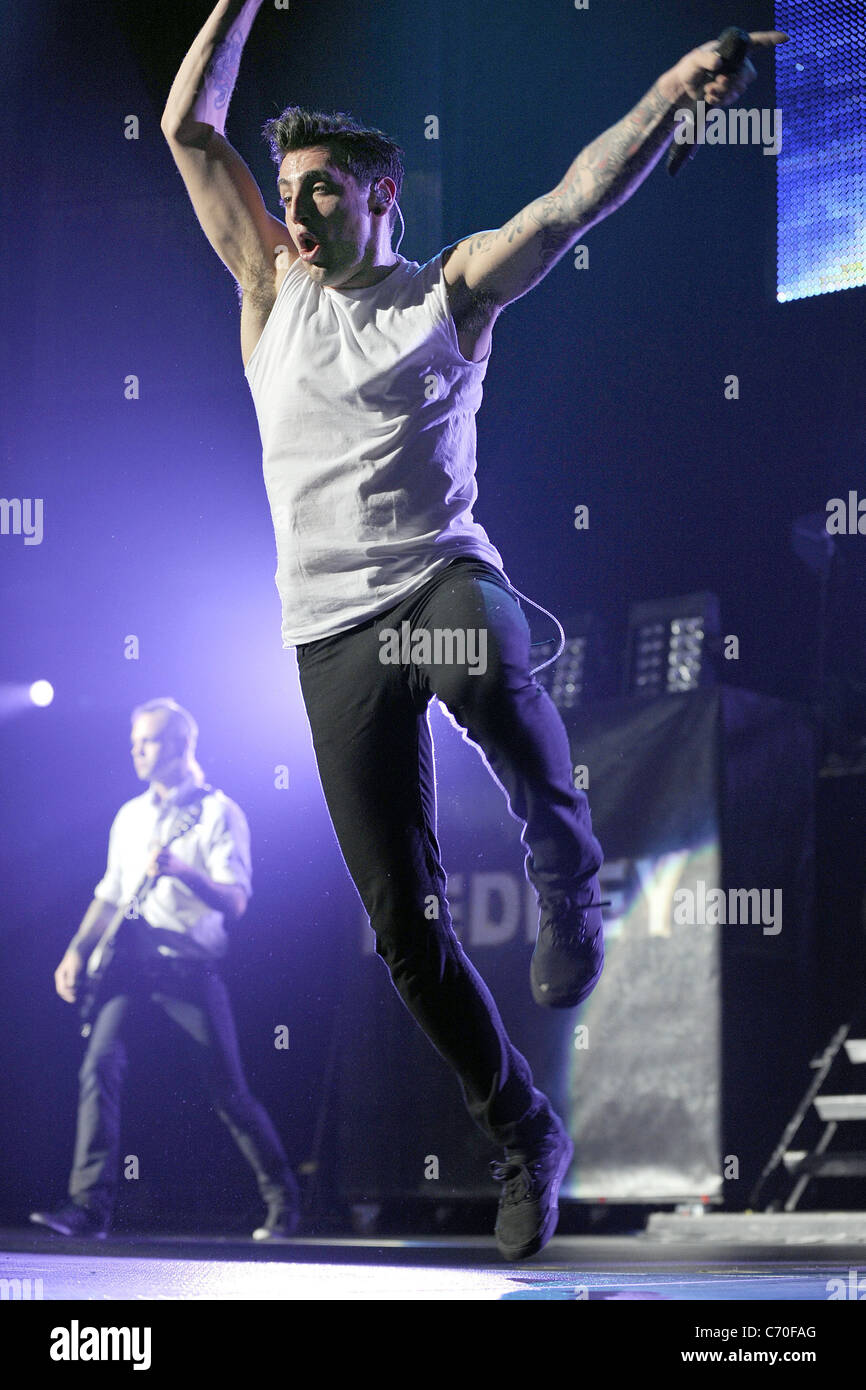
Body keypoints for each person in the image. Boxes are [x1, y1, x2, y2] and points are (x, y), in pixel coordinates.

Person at [159, 0, 786, 1259]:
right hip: (327, 636)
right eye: (288, 190)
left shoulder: (445, 295)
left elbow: (565, 206)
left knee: (490, 666)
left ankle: (564, 866)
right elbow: (186, 123)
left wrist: (668, 93)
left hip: (436, 584)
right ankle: (520, 1126)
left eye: (325, 188)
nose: (297, 209)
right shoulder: (264, 288)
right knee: (402, 925)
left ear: (382, 194)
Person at [30, 698, 299, 1241]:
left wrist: (182, 872)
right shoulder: (130, 816)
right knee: (98, 1068)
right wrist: (76, 951)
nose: (136, 750)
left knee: (228, 1090)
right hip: (130, 967)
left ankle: (285, 1202)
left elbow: (236, 902)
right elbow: (108, 896)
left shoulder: (219, 811)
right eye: (134, 741)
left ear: (180, 746)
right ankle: (89, 1208)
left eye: (147, 741)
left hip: (190, 971)